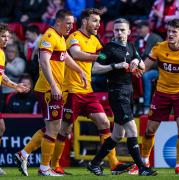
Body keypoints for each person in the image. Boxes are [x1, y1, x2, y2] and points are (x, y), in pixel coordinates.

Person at [14, 8, 133, 177]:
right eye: (95, 21)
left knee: (104, 123)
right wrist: (100, 59)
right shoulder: (72, 37)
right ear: (85, 21)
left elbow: (103, 55)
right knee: (61, 129)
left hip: (86, 90)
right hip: (69, 90)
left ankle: (113, 164)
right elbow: (76, 54)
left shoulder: (90, 39)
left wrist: (118, 56)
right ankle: (49, 165)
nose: (98, 25)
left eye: (99, 21)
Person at [14, 10, 86, 177]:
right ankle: (44, 168)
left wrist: (79, 71)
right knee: (54, 129)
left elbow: (65, 57)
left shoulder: (60, 37)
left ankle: (23, 154)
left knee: (51, 127)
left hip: (53, 89)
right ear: (58, 21)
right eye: (68, 23)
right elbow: (44, 63)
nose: (71, 26)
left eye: (72, 23)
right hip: (48, 89)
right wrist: (54, 86)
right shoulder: (49, 36)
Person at [87, 18, 157, 176]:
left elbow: (143, 66)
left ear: (129, 32)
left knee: (118, 135)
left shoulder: (131, 46)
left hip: (128, 92)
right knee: (132, 129)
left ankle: (94, 163)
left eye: (122, 30)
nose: (119, 33)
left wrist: (135, 62)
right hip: (117, 93)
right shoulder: (109, 49)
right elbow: (95, 69)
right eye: (116, 30)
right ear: (113, 32)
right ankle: (142, 168)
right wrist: (116, 66)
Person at [139, 19, 179, 175]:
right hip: (162, 93)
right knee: (150, 130)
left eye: (174, 32)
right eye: (169, 31)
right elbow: (145, 66)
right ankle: (144, 162)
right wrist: (137, 66)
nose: (170, 34)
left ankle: (178, 164)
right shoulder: (159, 48)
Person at [0, 23, 29, 176]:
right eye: (3, 36)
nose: (6, 40)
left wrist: (15, 85)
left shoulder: (2, 53)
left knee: (1, 128)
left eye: (8, 37)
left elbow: (1, 76)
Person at [134, 20, 163, 115]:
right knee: (130, 75)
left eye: (141, 27)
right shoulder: (137, 40)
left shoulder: (156, 38)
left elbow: (159, 59)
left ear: (147, 28)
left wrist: (145, 67)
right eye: (137, 28)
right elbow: (134, 55)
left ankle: (146, 105)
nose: (139, 30)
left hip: (157, 69)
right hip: (141, 68)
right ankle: (135, 104)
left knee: (146, 76)